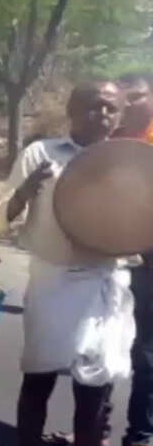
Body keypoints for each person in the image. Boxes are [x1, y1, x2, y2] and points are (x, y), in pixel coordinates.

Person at [0, 81, 131, 446]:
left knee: (94, 385)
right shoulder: (42, 154)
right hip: (51, 281)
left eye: (111, 109)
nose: (102, 114)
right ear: (72, 110)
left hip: (104, 282)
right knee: (39, 377)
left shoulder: (129, 162)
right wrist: (25, 191)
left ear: (120, 116)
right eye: (94, 105)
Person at [116, 73, 153, 446]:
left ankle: (140, 434)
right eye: (124, 99)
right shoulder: (107, 143)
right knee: (104, 349)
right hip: (107, 261)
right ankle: (93, 428)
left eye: (137, 97)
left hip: (149, 264)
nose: (129, 105)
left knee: (146, 352)